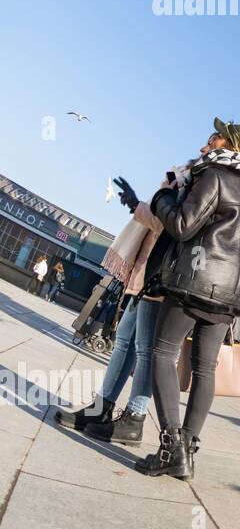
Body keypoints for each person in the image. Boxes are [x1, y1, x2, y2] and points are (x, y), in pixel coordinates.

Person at [137, 119, 240, 480]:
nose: (204, 146)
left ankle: (170, 448)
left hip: (193, 285)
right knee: (205, 369)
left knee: (163, 355)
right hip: (229, 297)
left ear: (229, 145)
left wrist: (163, 199)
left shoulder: (214, 178)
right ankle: (188, 451)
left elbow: (182, 225)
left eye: (213, 138)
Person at [56, 178, 167, 444]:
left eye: (213, 141)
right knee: (124, 343)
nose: (205, 145)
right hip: (140, 272)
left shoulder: (194, 179)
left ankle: (134, 418)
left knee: (144, 351)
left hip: (159, 277)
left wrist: (136, 205)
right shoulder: (182, 176)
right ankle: (100, 410)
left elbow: (170, 226)